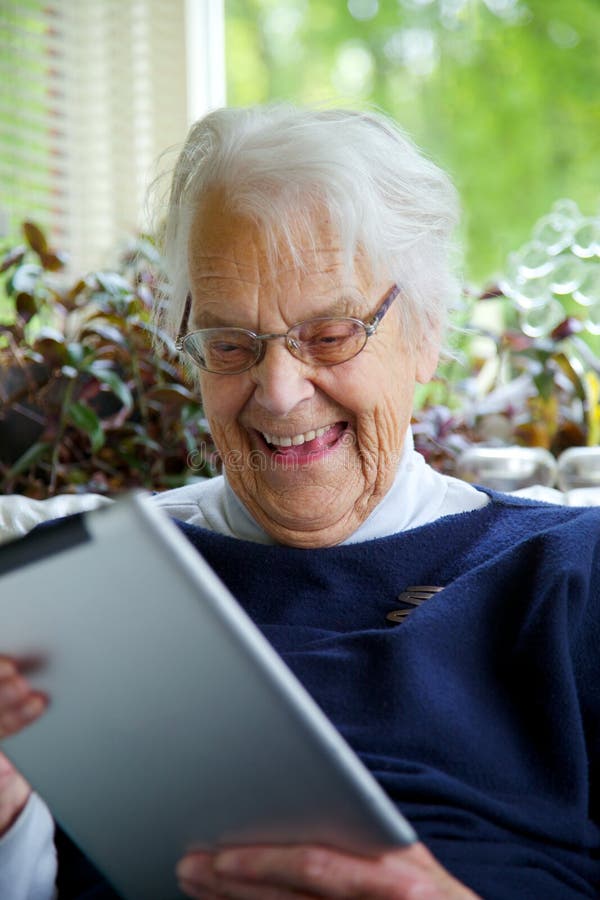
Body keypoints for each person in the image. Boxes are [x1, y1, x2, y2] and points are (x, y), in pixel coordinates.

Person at [1, 104, 599, 900]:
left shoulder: (567, 574)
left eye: (329, 334)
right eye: (230, 344)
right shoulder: (90, 593)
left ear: (426, 331)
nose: (279, 395)